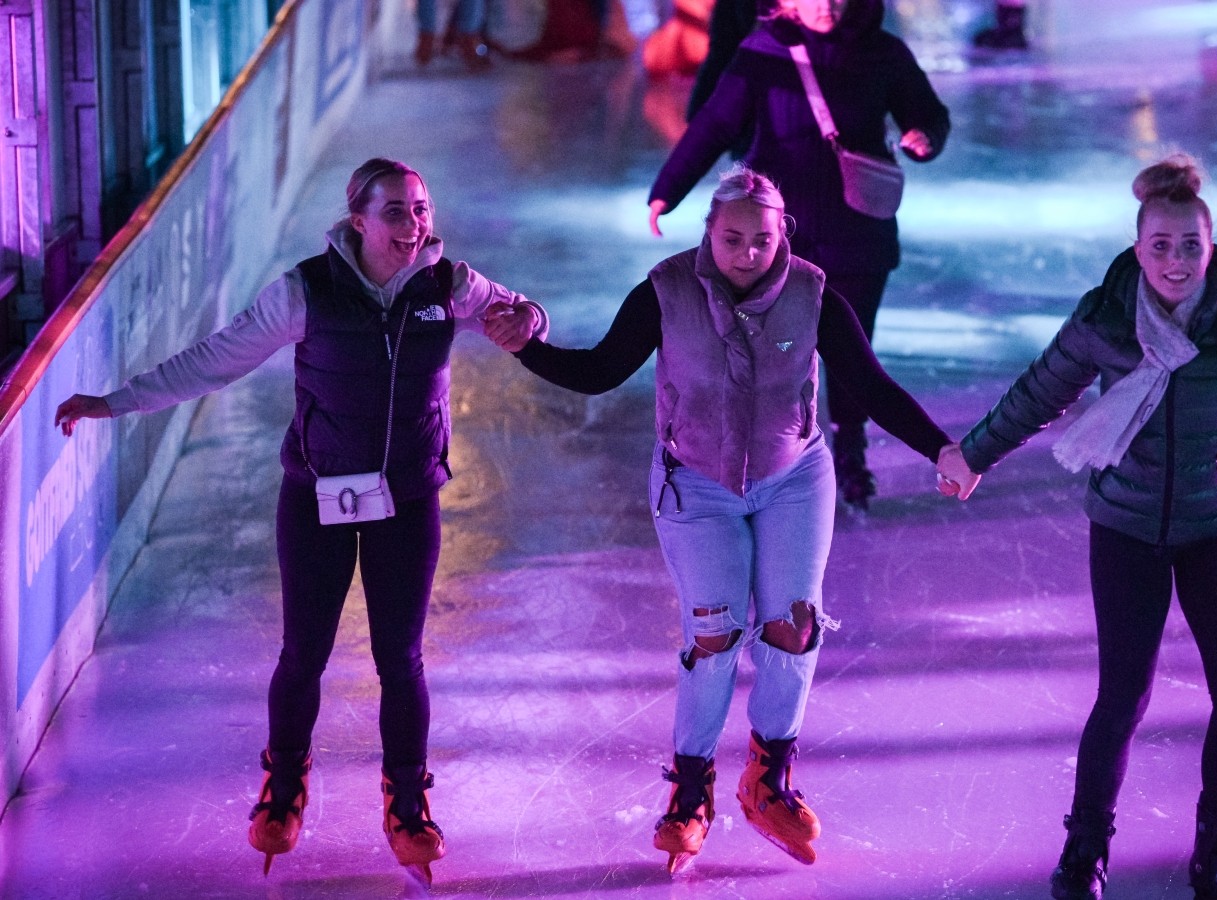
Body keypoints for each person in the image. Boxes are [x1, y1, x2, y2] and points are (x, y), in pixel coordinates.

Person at [54, 158, 547, 884]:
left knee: (401, 659)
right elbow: (213, 361)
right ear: (358, 220)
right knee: (303, 654)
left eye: (421, 210)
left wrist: (523, 321)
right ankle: (283, 787)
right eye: (395, 213)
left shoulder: (450, 285)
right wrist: (114, 403)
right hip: (317, 496)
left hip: (407, 499)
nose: (414, 227)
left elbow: (525, 310)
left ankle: (407, 801)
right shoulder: (306, 291)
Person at [936, 155, 1217, 900]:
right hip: (1126, 527)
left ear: (1210, 248)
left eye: (1190, 246)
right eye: (1161, 245)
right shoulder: (1104, 320)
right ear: (1137, 245)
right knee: (1122, 695)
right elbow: (1039, 391)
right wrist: (974, 454)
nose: (1176, 261)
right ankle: (1084, 854)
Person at [508, 165, 974, 873]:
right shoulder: (665, 292)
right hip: (695, 485)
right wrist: (525, 347)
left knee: (794, 623)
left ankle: (769, 777)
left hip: (794, 480)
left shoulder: (814, 293)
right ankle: (691, 790)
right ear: (709, 235)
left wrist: (942, 447)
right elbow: (601, 371)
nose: (748, 253)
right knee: (716, 632)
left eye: (761, 239)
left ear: (781, 233)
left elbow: (872, 385)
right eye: (733, 239)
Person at [648, 0, 951, 510]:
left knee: (854, 354)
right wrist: (667, 190)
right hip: (776, 240)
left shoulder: (883, 52)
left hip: (857, 233)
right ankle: (774, 459)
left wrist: (924, 137)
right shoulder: (762, 51)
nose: (827, 5)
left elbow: (928, 113)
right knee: (777, 355)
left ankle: (850, 454)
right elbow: (714, 126)